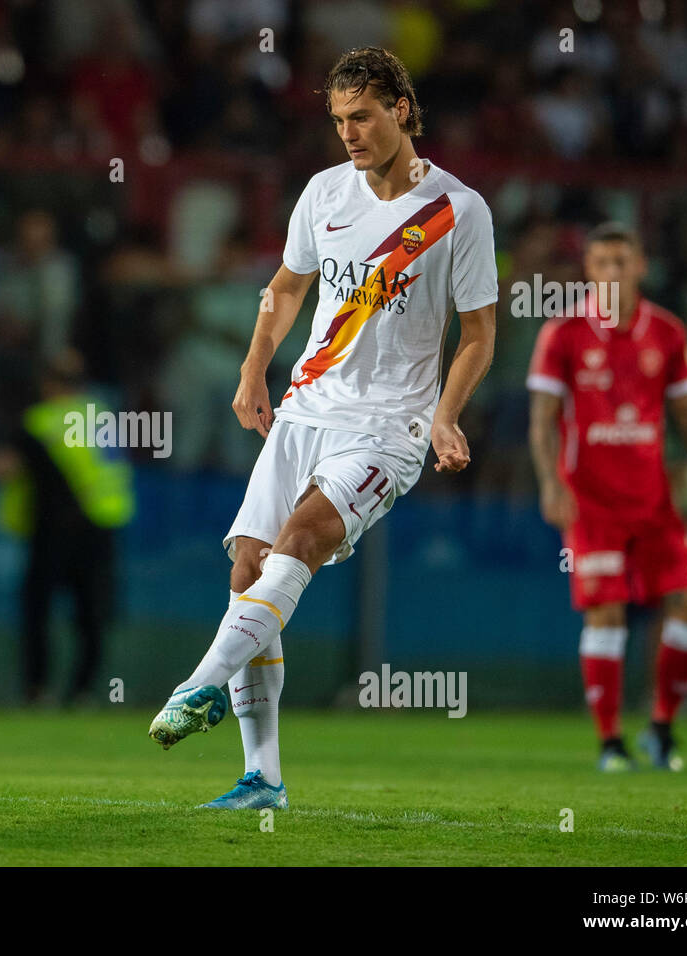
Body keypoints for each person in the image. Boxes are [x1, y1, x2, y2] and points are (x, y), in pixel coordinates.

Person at [146, 47, 498, 809]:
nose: (349, 133)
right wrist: (252, 368)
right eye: (339, 120)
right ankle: (263, 778)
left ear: (401, 109)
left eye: (362, 116)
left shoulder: (457, 210)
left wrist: (446, 416)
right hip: (306, 409)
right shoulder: (322, 192)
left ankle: (199, 684)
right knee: (248, 567)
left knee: (300, 540)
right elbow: (285, 288)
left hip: (389, 427)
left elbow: (478, 334)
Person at [527, 222, 687, 772]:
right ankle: (610, 743)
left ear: (641, 266)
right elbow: (543, 420)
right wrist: (551, 483)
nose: (612, 272)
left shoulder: (667, 333)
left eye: (621, 261)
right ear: (588, 270)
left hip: (655, 501)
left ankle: (662, 729)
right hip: (591, 504)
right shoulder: (563, 333)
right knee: (607, 614)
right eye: (601, 262)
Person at [0, 349, 134, 706]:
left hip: (54, 528)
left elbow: (3, 466)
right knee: (91, 615)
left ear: (47, 383)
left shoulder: (42, 420)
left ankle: (37, 690)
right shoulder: (101, 416)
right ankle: (83, 692)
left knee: (38, 611)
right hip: (102, 524)